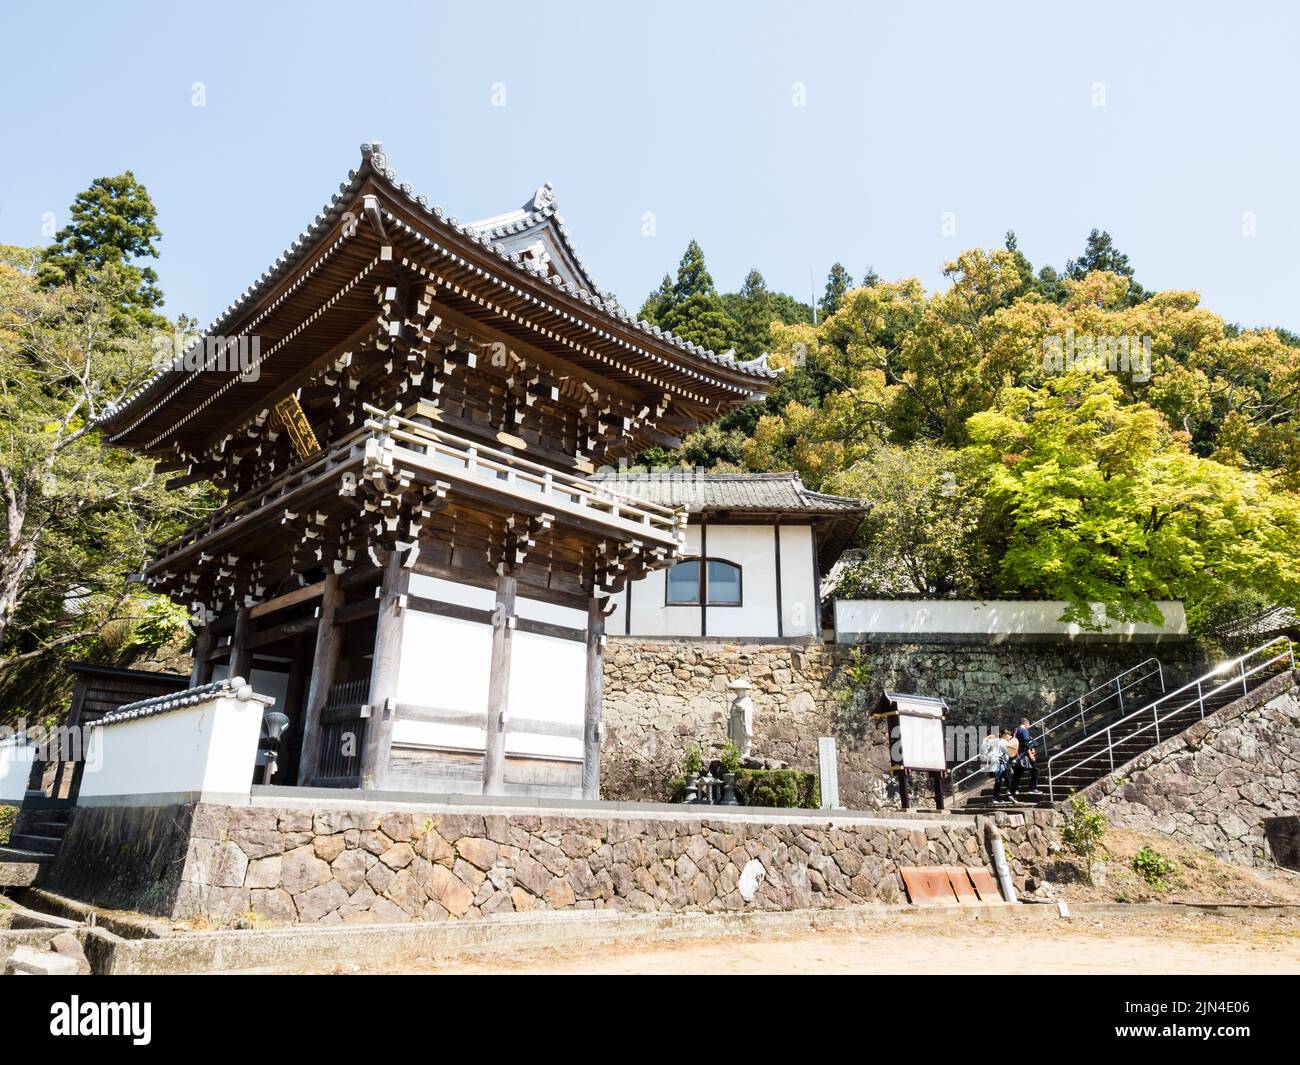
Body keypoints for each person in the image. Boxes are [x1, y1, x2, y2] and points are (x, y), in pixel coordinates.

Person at [980, 727, 1014, 804]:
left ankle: (996, 798)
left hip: (995, 763)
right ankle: (1010, 792)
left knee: (999, 780)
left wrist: (986, 739)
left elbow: (983, 747)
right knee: (1005, 778)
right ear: (1004, 735)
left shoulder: (995, 741)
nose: (1010, 736)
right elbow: (1008, 753)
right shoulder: (1003, 742)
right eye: (1008, 734)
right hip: (999, 763)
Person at [1010, 716, 1039, 797]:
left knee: (1017, 775)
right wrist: (1030, 755)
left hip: (1015, 756)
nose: (1028, 727)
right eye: (1028, 725)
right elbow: (1026, 745)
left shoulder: (1015, 730)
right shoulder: (1024, 731)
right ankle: (1032, 789)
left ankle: (1012, 793)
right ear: (1026, 723)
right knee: (1035, 771)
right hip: (1023, 756)